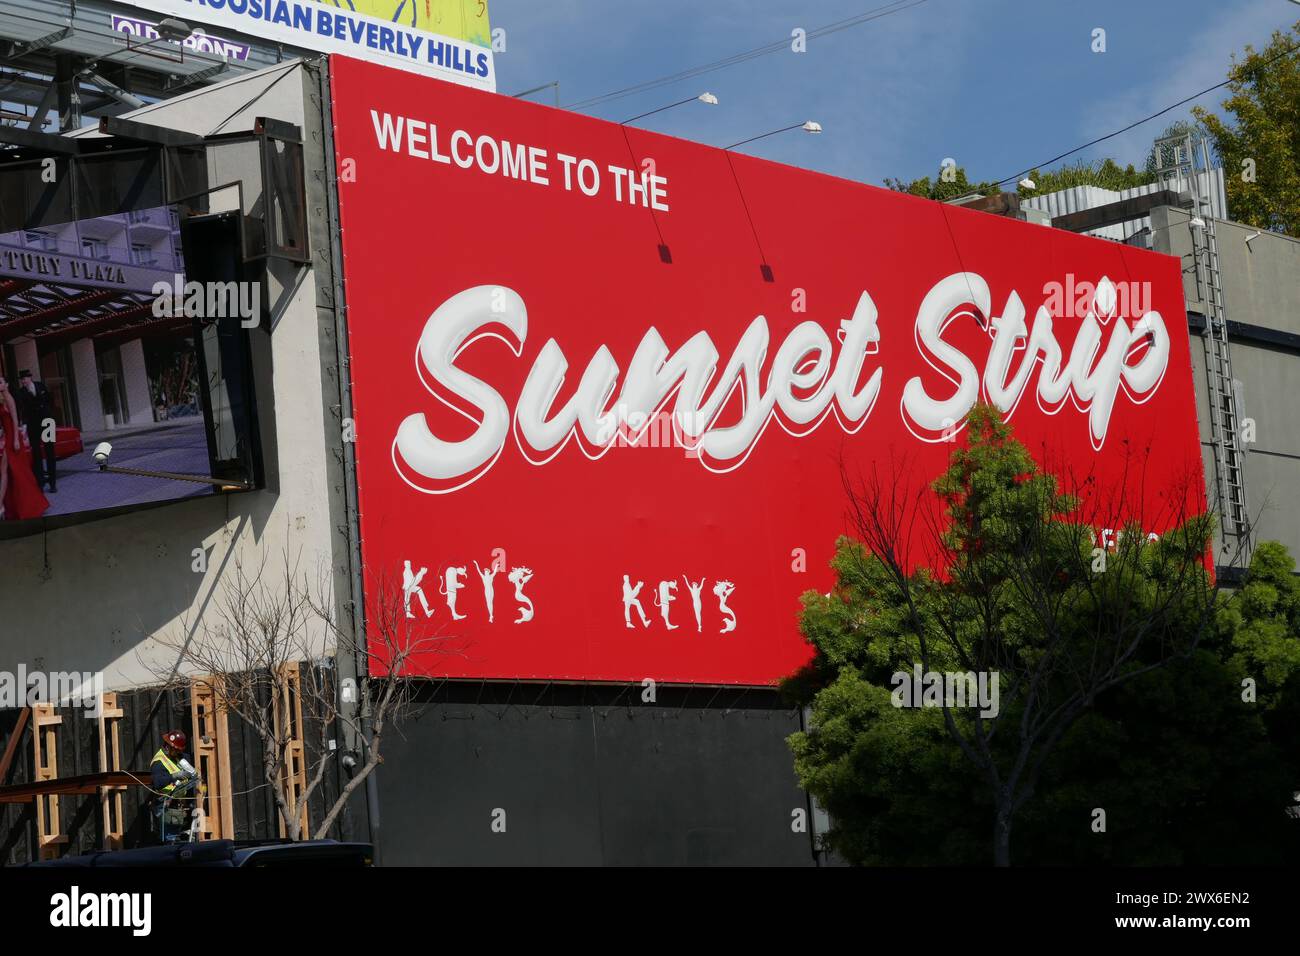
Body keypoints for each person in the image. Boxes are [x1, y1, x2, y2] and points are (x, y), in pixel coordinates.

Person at [0, 374, 49, 520]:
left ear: (6, 384)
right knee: (9, 473)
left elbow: (16, 421)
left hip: (14, 440)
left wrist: (15, 439)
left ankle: (7, 506)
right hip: (6, 439)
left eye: (1, 382)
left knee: (18, 473)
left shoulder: (9, 399)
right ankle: (3, 506)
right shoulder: (1, 400)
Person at [151, 730, 199, 843]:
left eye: (179, 750)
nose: (178, 752)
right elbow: (157, 782)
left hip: (178, 806)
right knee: (170, 841)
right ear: (168, 747)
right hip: (165, 806)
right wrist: (175, 776)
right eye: (176, 750)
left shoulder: (177, 756)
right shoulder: (158, 762)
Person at [15, 369, 56, 493]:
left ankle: (53, 483)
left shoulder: (40, 385)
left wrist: (50, 414)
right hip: (34, 425)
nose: (23, 381)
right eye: (21, 379)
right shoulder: (21, 392)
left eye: (25, 378)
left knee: (50, 452)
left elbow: (49, 399)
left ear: (30, 378)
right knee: (37, 455)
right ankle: (40, 483)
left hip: (47, 422)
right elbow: (23, 409)